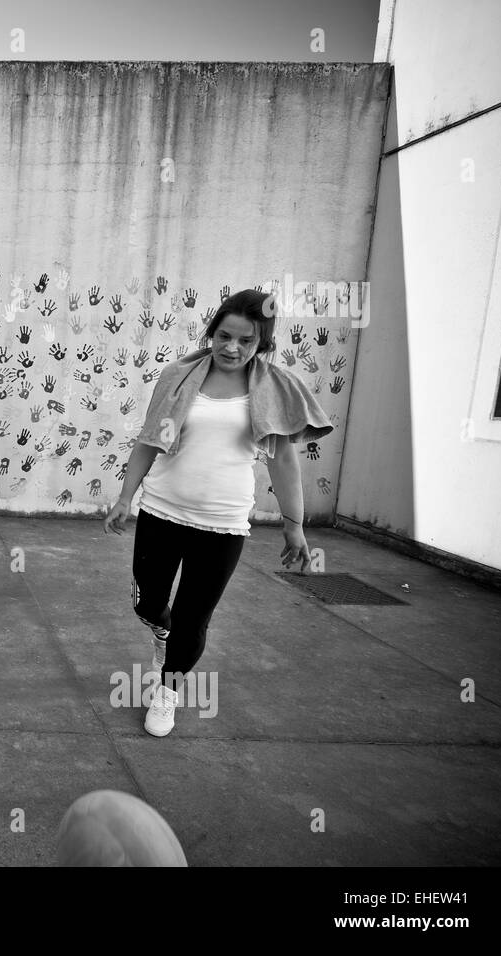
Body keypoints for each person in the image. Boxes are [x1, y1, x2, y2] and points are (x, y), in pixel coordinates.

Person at [103, 289, 333, 737]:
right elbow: (149, 440)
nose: (232, 348)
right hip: (161, 513)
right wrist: (124, 498)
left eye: (246, 341)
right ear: (211, 332)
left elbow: (283, 460)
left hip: (223, 525)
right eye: (224, 336)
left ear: (261, 344)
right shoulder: (178, 376)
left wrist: (295, 525)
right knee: (149, 603)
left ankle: (167, 693)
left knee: (194, 617)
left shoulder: (271, 389)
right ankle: (160, 637)